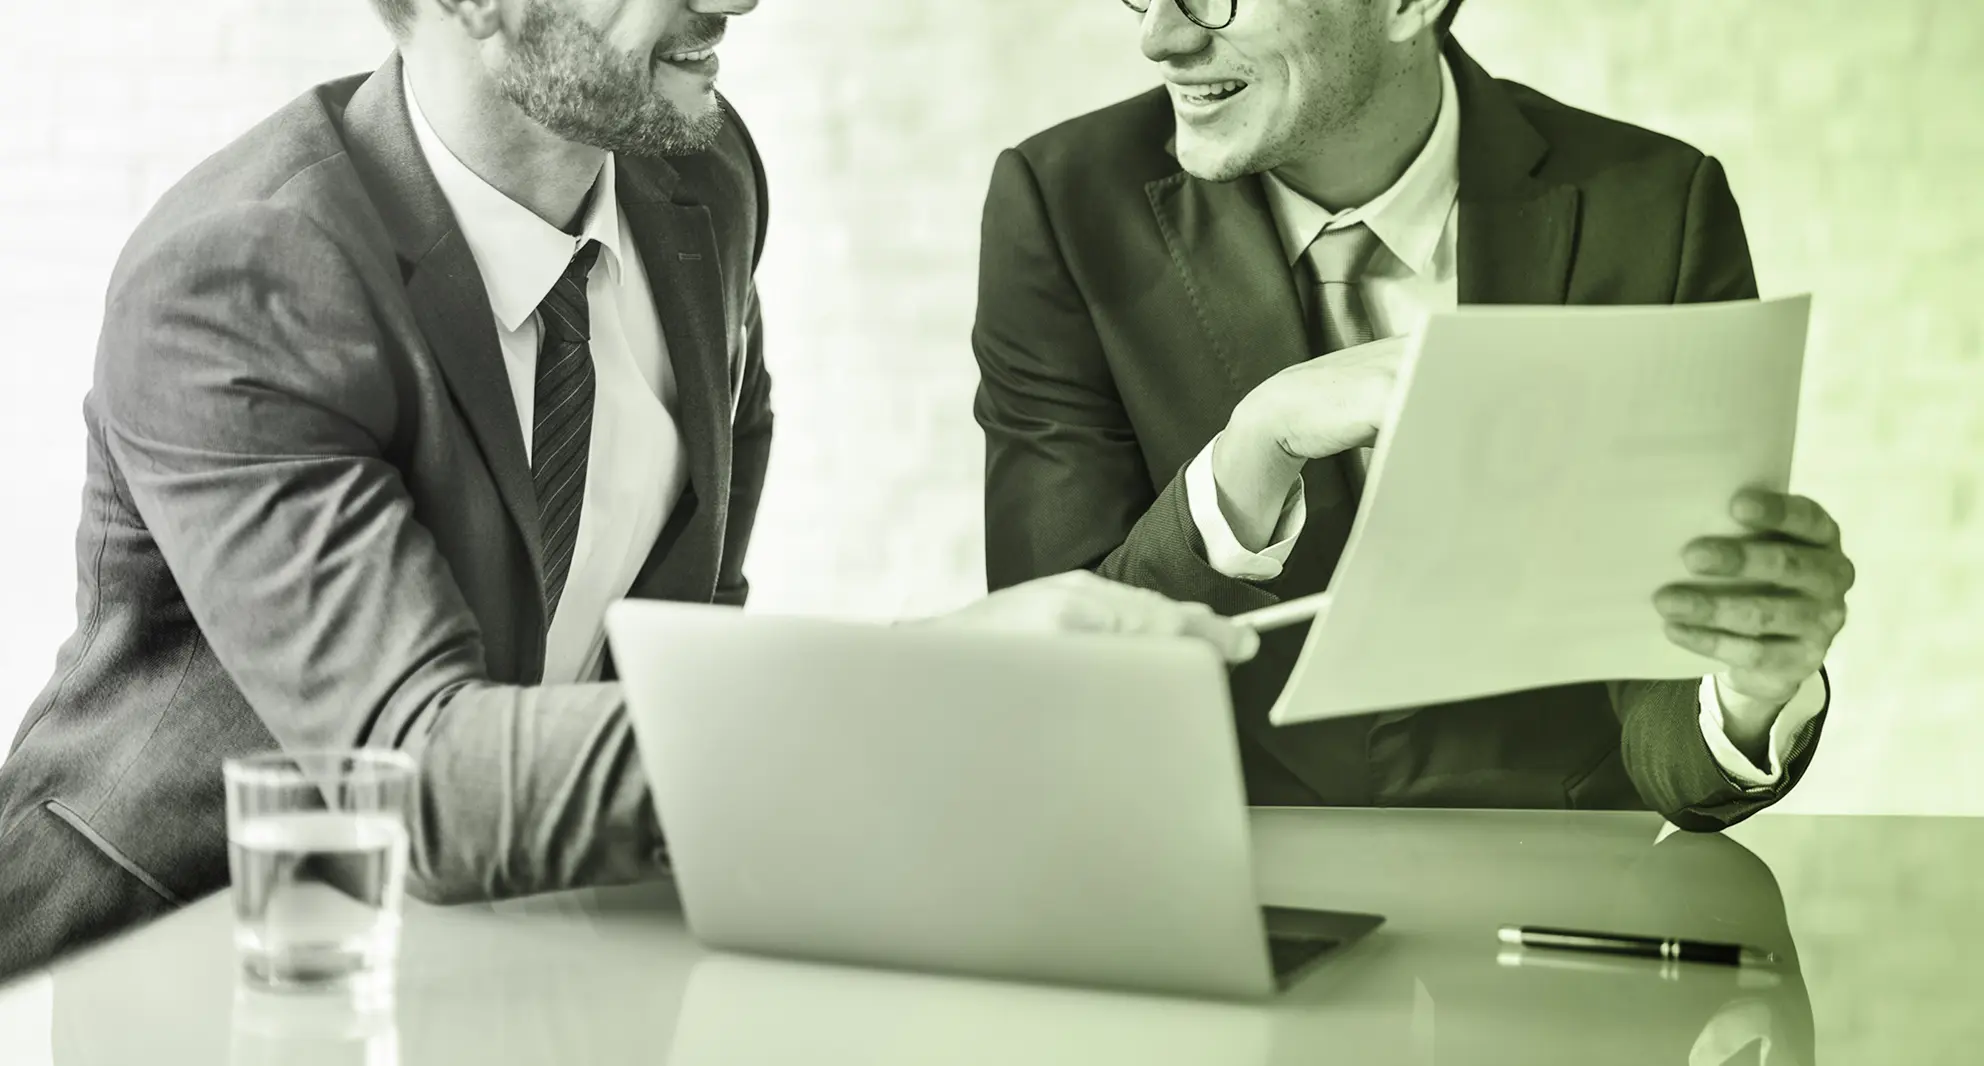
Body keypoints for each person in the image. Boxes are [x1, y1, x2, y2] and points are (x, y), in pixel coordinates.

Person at [0, 0, 1255, 980]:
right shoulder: (245, 273)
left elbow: (686, 629)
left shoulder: (699, 181)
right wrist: (931, 691)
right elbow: (417, 776)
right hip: (167, 964)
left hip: (509, 947)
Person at [971, 1, 1855, 819]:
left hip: (1558, 895)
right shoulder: (1060, 207)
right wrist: (1258, 447)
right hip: (1203, 876)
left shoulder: (1659, 206)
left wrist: (1749, 688)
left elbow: (1663, 664)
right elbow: (1048, 685)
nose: (1162, 34)